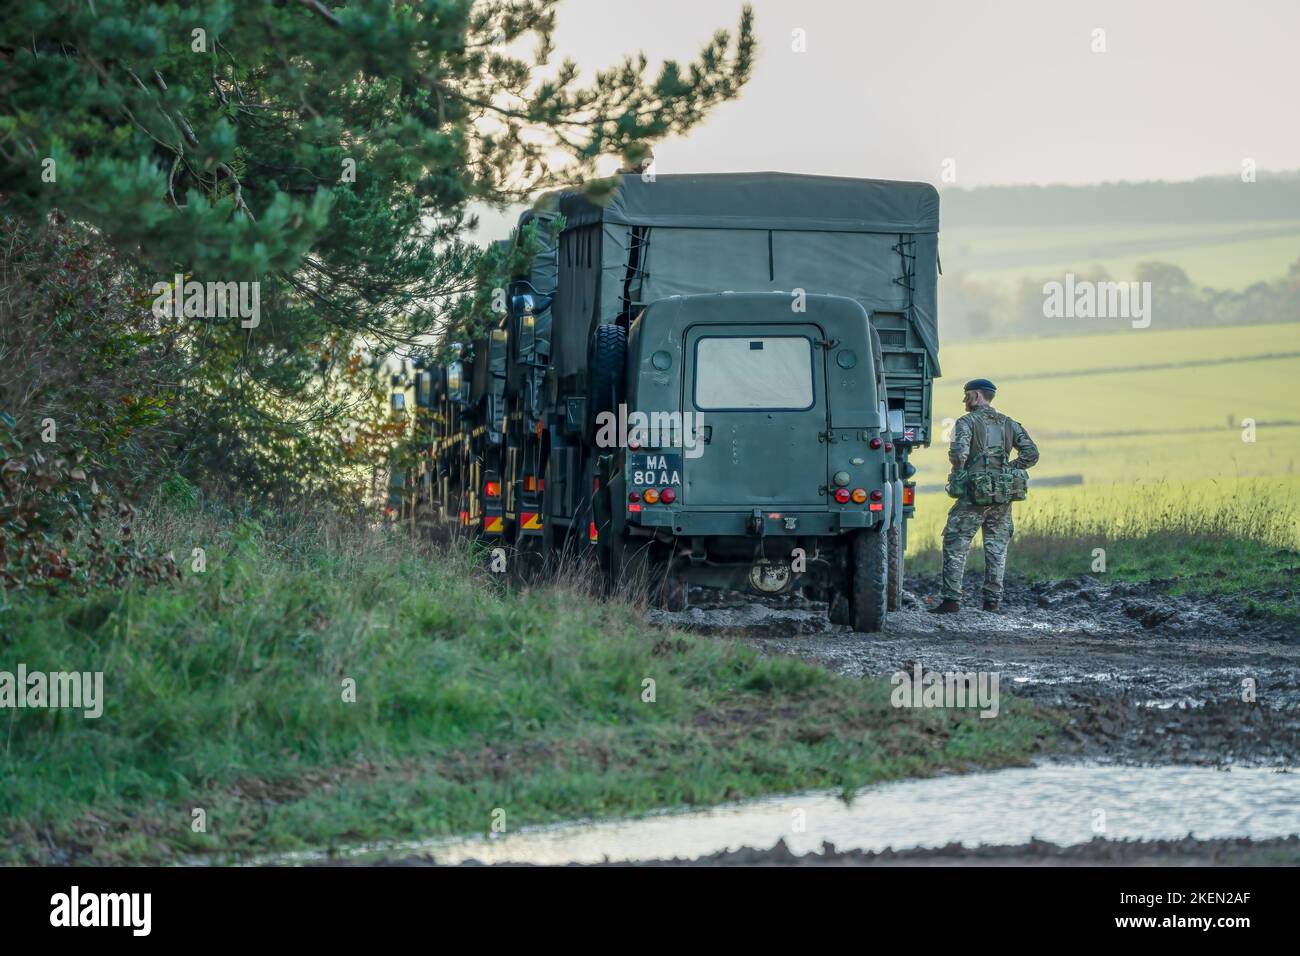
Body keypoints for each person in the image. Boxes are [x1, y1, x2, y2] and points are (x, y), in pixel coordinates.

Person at [930, 378, 1038, 614]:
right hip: (1002, 495)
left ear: (977, 396)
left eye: (966, 395)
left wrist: (959, 475)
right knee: (997, 548)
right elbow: (1031, 454)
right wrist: (1007, 469)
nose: (964, 400)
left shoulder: (966, 422)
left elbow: (959, 454)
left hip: (973, 495)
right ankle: (992, 602)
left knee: (955, 544)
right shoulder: (1010, 423)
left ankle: (951, 600)